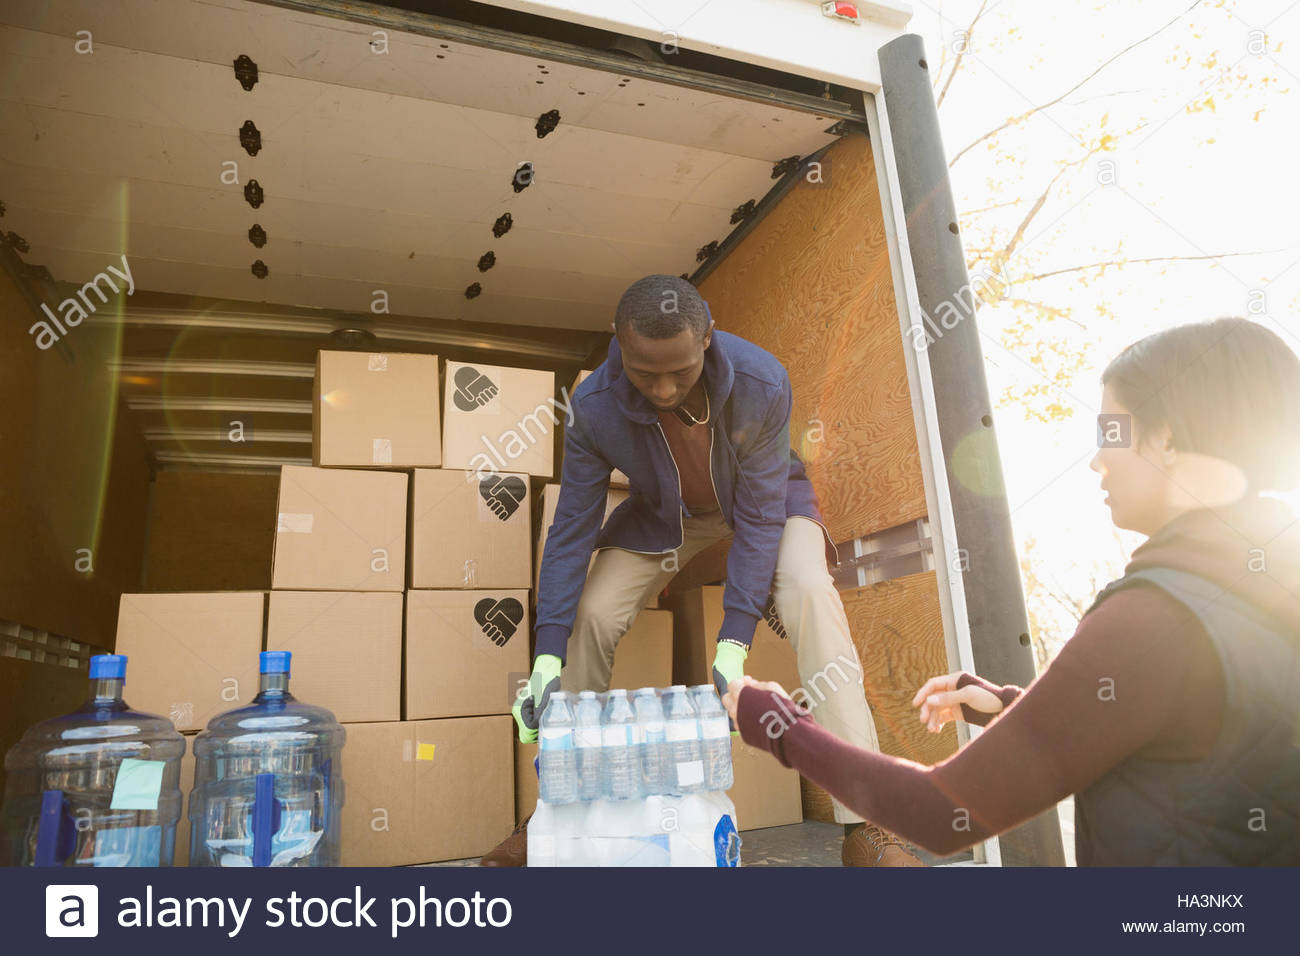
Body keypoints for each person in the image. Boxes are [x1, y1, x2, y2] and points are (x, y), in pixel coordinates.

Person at [722, 317, 1300, 866]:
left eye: (1112, 432)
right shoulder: (1265, 581)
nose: (1097, 460)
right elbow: (1191, 731)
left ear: (1168, 440)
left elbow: (940, 812)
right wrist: (1012, 707)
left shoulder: (1152, 616)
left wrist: (779, 727)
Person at [480, 275, 921, 866]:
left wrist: (734, 642)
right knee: (591, 614)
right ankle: (556, 811)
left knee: (812, 592)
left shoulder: (762, 381)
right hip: (669, 519)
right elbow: (571, 530)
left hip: (766, 504)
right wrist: (545, 655)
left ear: (709, 338)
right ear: (619, 344)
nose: (663, 389)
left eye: (680, 373)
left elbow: (762, 518)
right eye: (645, 373)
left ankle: (864, 823)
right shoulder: (592, 408)